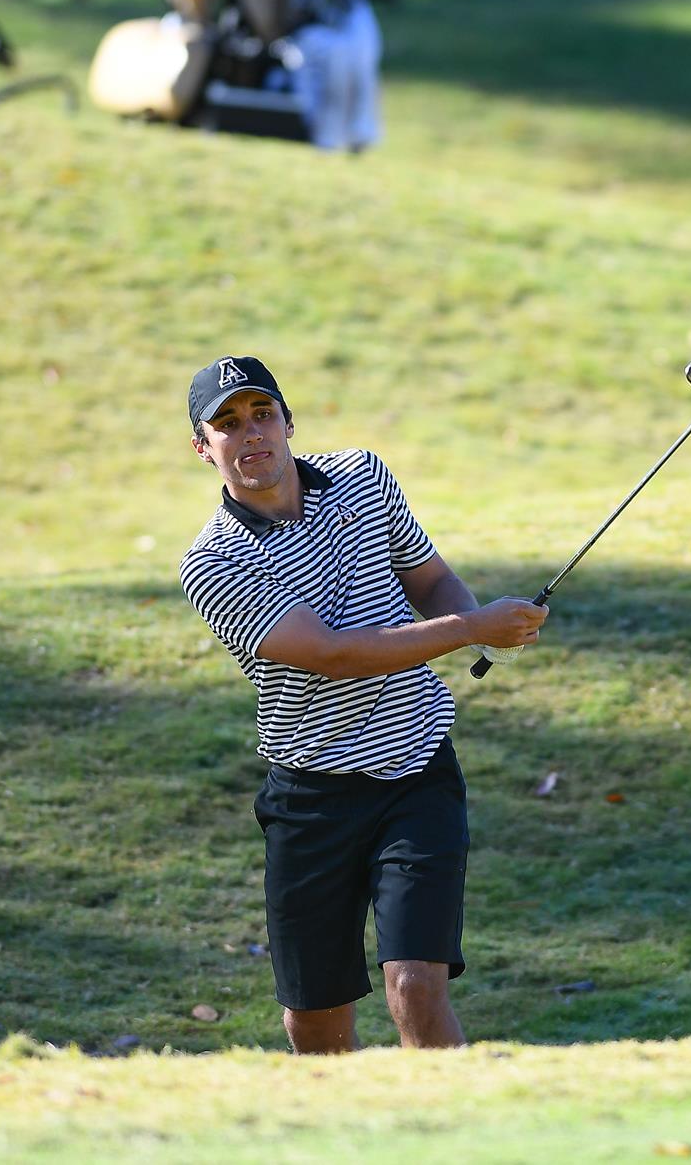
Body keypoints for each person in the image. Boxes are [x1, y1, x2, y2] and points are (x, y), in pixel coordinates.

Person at [177, 354, 548, 1053]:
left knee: (415, 986)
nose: (250, 432)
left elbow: (429, 579)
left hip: (416, 773)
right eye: (227, 423)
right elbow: (333, 654)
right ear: (203, 447)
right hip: (312, 796)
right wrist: (471, 627)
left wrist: (481, 627)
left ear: (288, 422)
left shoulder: (363, 478)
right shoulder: (213, 563)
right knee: (315, 1020)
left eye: (262, 413)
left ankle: (460, 1117)